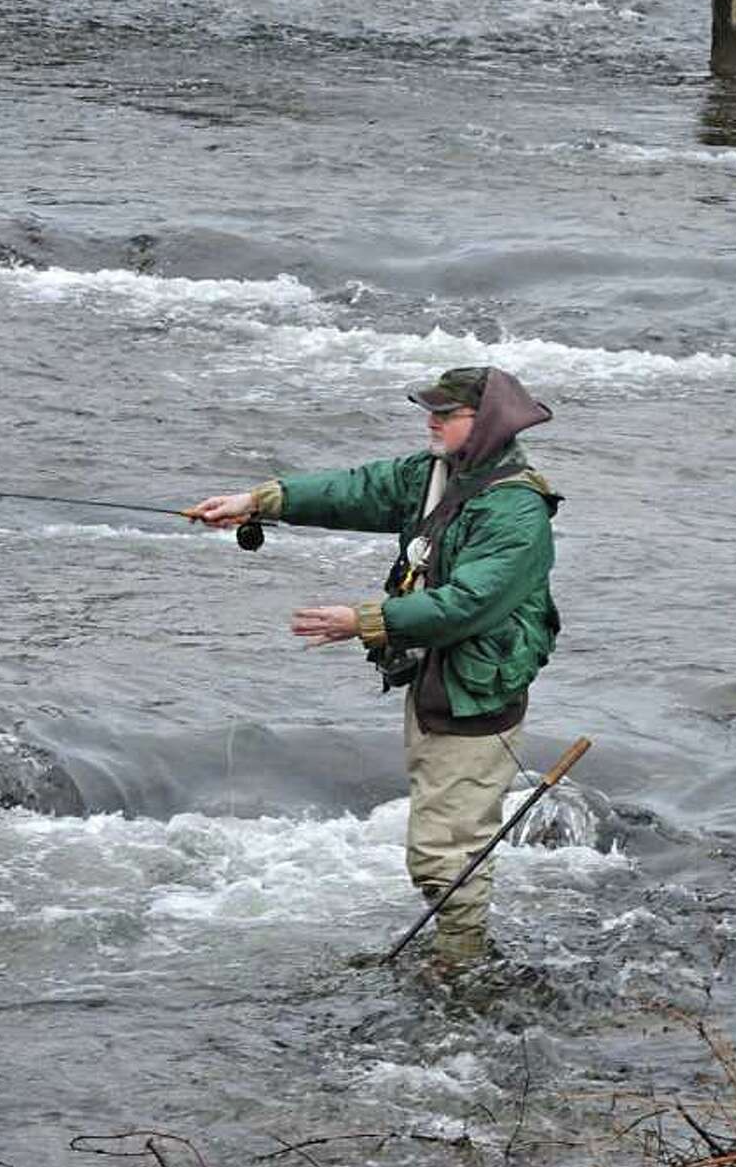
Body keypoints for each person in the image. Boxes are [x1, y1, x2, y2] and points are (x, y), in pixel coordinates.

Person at [186, 366, 562, 966]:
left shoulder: (517, 511)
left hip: (475, 692)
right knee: (442, 844)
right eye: (430, 410)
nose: (431, 421)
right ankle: (458, 963)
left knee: (444, 854)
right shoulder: (436, 474)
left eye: (447, 414)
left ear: (486, 423)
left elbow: (469, 603)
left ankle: (459, 970)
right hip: (438, 678)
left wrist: (362, 621)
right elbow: (357, 490)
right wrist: (258, 501)